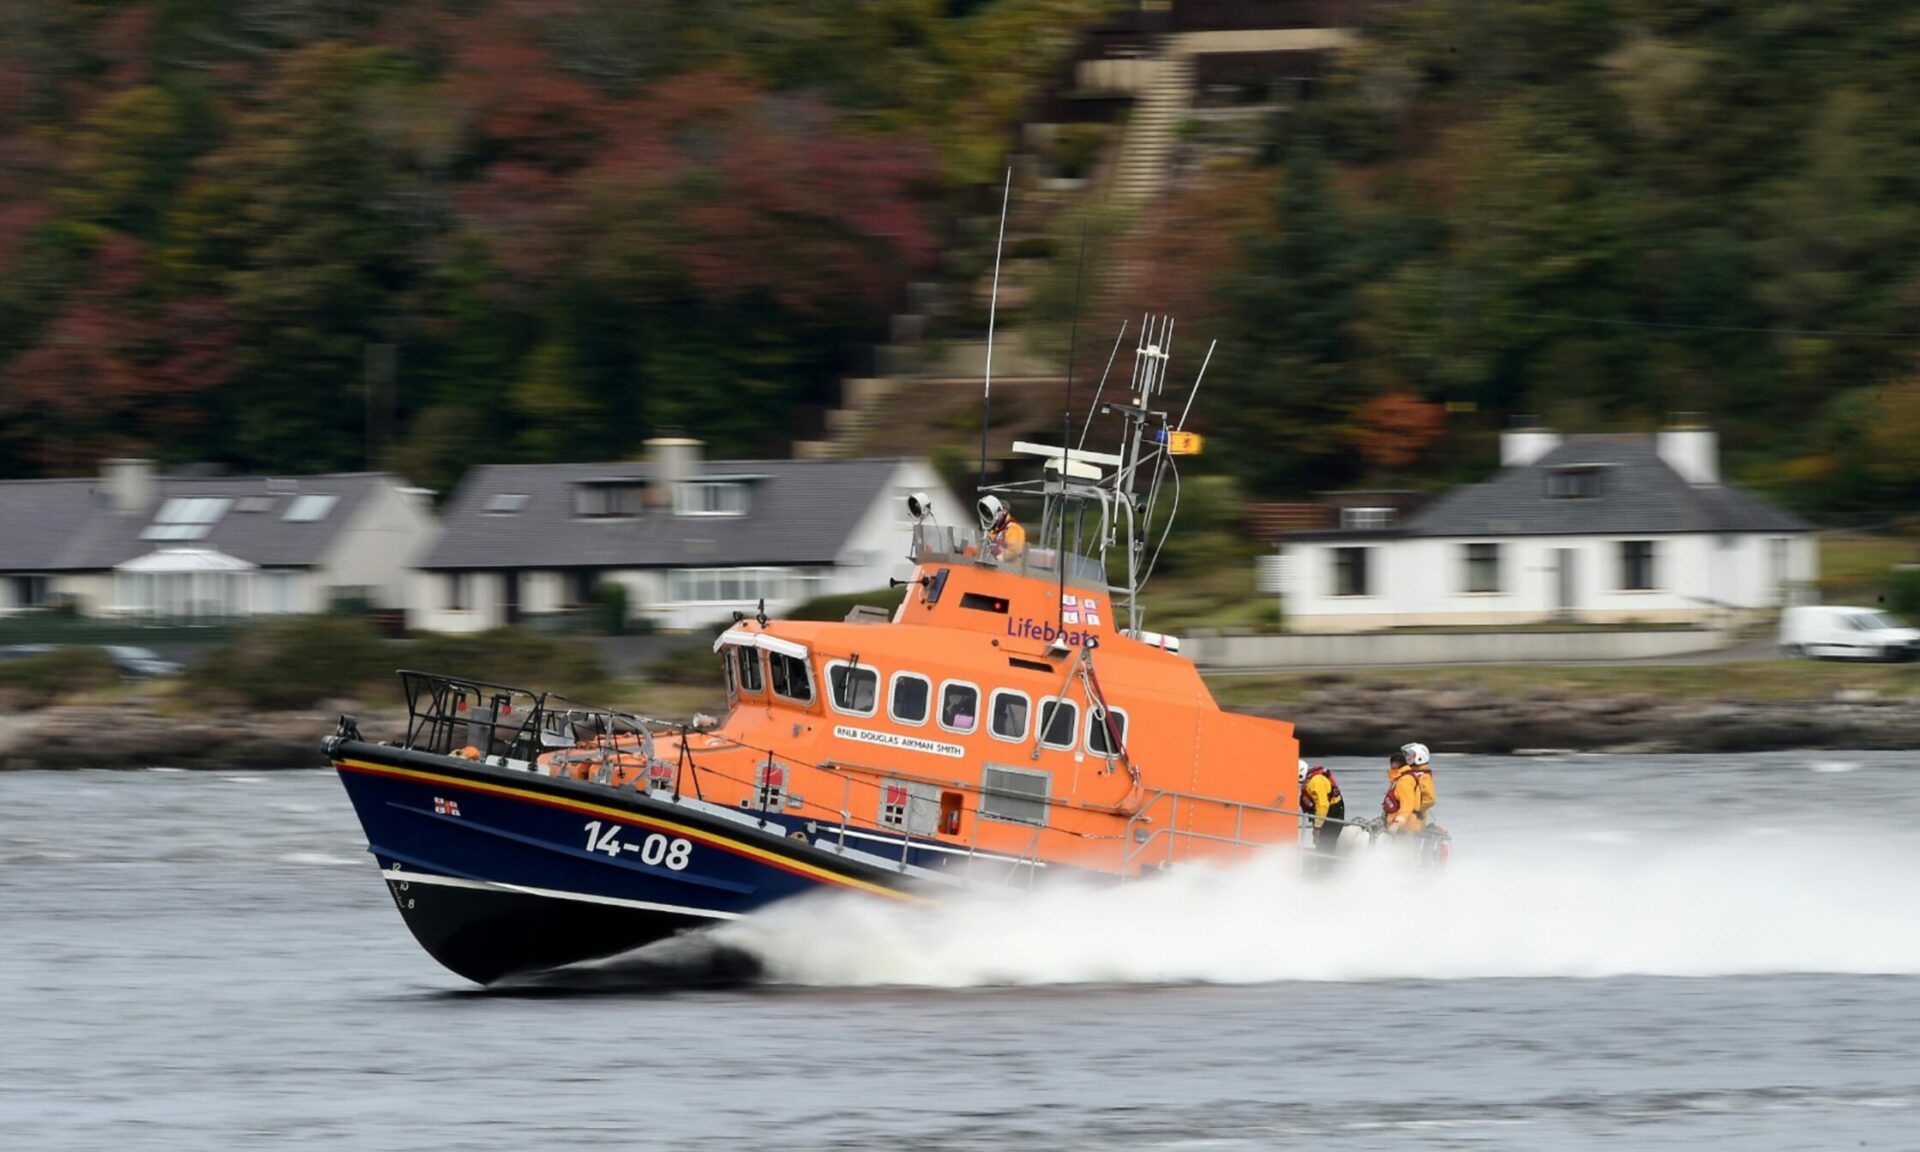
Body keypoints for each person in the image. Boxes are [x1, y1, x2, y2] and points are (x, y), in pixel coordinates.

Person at [1298, 758, 1345, 864]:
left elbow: (1323, 805)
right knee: (1321, 843)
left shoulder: (1315, 782)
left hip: (1332, 813)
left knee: (1326, 844)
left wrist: (1317, 827)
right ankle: (1321, 866)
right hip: (1326, 814)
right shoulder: (1311, 780)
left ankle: (1324, 870)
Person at [1382, 750, 1425, 835]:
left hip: (1405, 827)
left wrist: (1397, 824)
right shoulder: (1401, 778)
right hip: (1401, 825)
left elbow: (1407, 805)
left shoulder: (1404, 780)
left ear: (1395, 764)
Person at [977, 495, 1026, 563]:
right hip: (990, 565)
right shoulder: (995, 529)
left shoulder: (1015, 528)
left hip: (1009, 568)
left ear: (1004, 511)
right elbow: (989, 546)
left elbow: (1015, 551)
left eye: (994, 512)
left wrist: (998, 558)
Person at [1400, 741, 1437, 823]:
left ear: (1420, 757)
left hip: (1414, 819)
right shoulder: (1411, 774)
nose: (1408, 757)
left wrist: (1419, 810)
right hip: (1406, 817)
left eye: (1411, 755)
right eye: (1408, 755)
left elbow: (1430, 799)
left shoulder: (1424, 776)